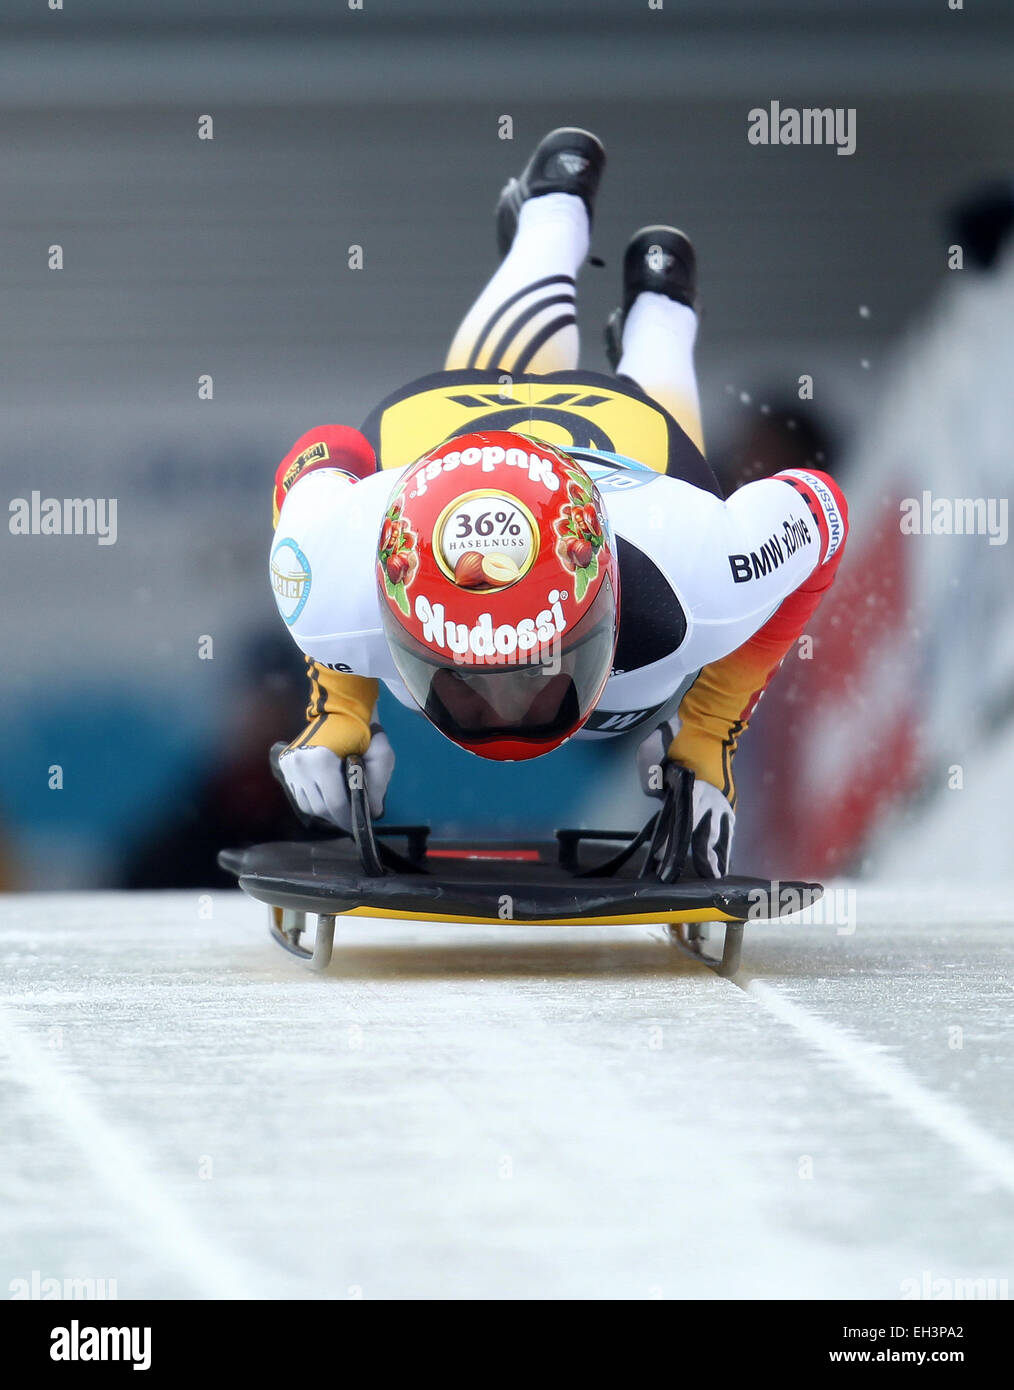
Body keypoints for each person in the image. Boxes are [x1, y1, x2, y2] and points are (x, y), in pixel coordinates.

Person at [268, 128, 849, 878]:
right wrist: (339, 708)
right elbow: (818, 509)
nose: (506, 713)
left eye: (533, 673)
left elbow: (327, 451)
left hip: (589, 459)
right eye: (469, 683)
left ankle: (636, 296)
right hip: (464, 439)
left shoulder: (695, 566)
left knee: (667, 463)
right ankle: (615, 269)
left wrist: (711, 731)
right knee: (656, 444)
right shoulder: (335, 578)